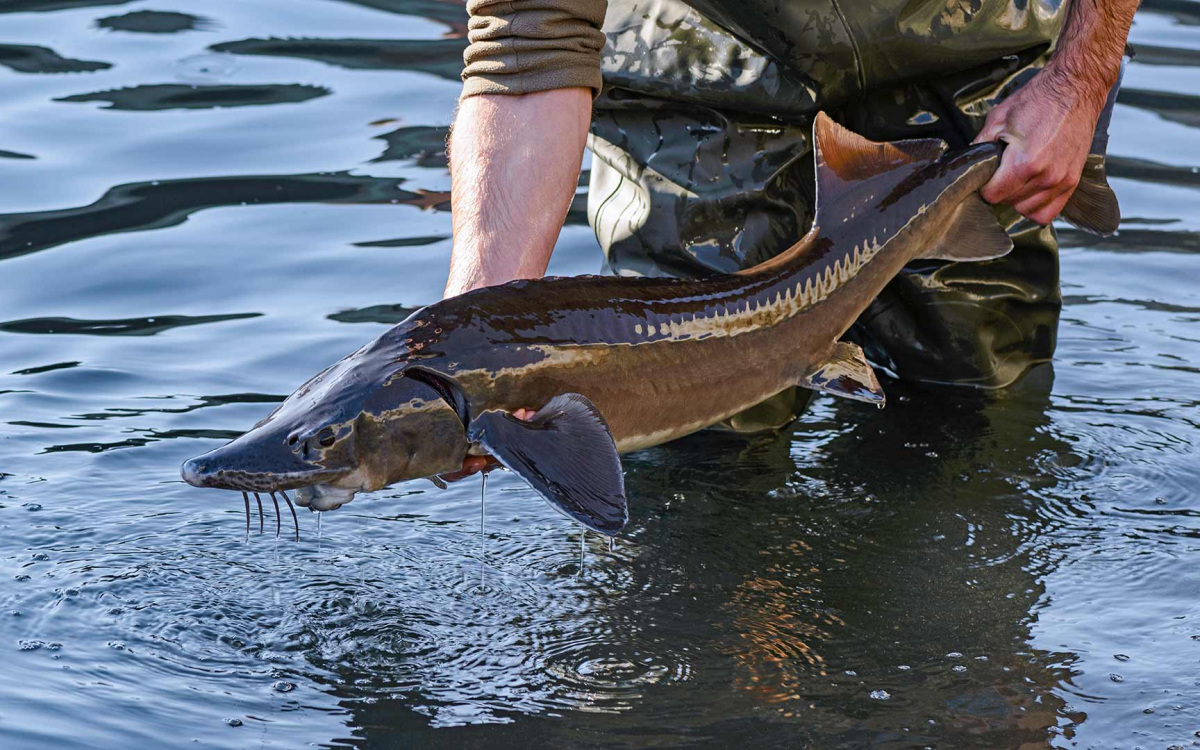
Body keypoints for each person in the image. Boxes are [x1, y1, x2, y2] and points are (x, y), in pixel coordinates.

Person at [442, 0, 1138, 407]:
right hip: (702, 66)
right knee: (699, 472)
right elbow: (527, 47)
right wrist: (476, 340)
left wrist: (1078, 79)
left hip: (964, 42)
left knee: (973, 413)